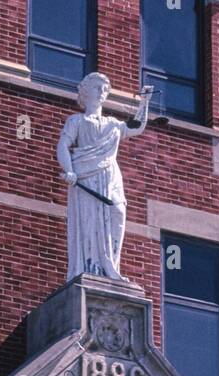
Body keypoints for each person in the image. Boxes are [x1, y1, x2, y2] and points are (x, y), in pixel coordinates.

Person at [56, 72, 152, 282]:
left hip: (110, 176)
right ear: (85, 91)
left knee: (117, 213)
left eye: (105, 89)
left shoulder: (112, 123)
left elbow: (136, 127)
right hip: (86, 177)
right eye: (97, 87)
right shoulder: (77, 121)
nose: (102, 92)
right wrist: (69, 170)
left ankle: (111, 265)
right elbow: (63, 145)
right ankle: (91, 267)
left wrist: (144, 103)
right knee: (90, 221)